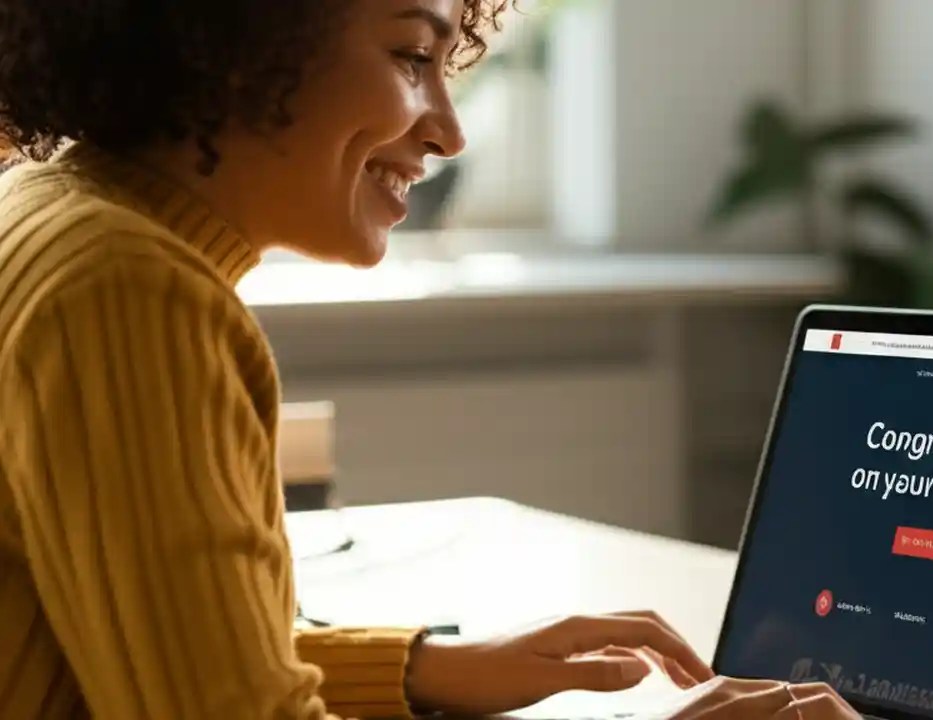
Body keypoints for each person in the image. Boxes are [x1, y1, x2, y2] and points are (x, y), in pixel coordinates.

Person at [0, 1, 863, 718]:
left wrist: (426, 667)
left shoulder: (53, 213)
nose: (449, 134)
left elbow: (162, 638)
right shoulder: (132, 288)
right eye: (413, 56)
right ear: (237, 36)